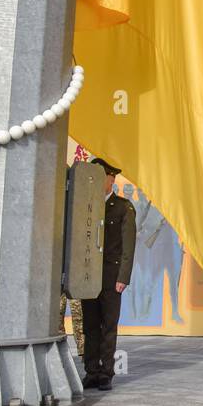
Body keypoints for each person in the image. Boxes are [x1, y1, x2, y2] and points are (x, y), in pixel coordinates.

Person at [80, 157, 136, 390]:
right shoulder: (86, 206)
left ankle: (106, 373)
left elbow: (128, 245)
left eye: (103, 177)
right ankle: (91, 371)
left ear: (111, 180)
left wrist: (123, 277)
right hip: (88, 276)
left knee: (108, 326)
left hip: (112, 277)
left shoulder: (123, 207)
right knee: (90, 325)